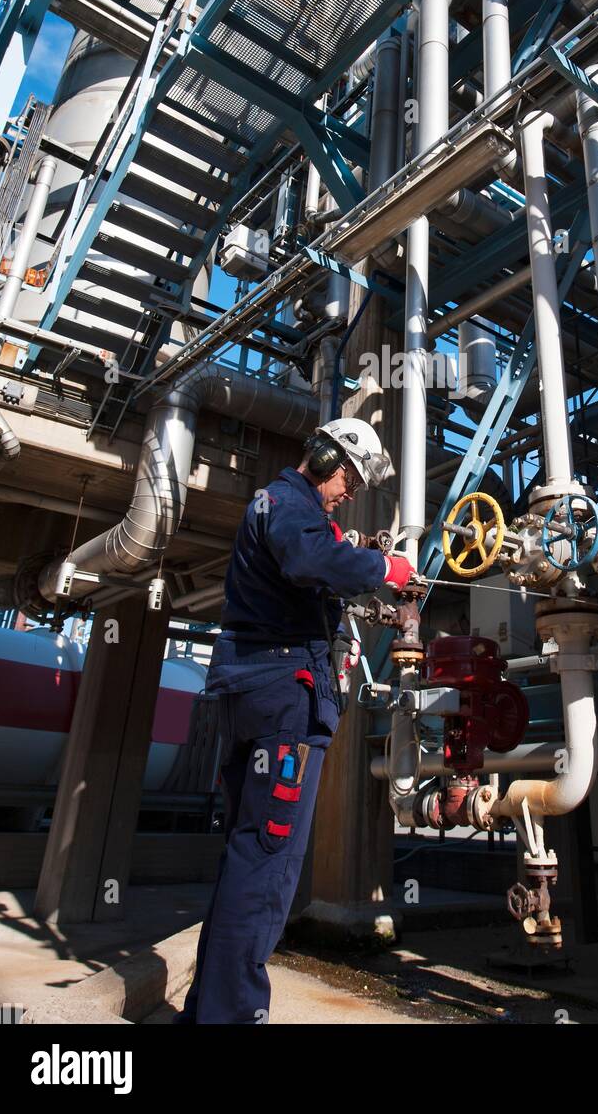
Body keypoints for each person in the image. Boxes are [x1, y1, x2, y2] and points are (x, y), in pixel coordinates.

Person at [177, 419, 413, 1024]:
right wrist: (382, 570)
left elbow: (308, 568)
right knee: (269, 863)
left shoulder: (276, 505)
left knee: (247, 854)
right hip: (284, 699)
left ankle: (210, 1009)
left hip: (254, 691)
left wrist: (351, 563)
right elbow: (310, 558)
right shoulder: (290, 505)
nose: (349, 494)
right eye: (350, 482)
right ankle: (230, 1017)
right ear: (331, 460)